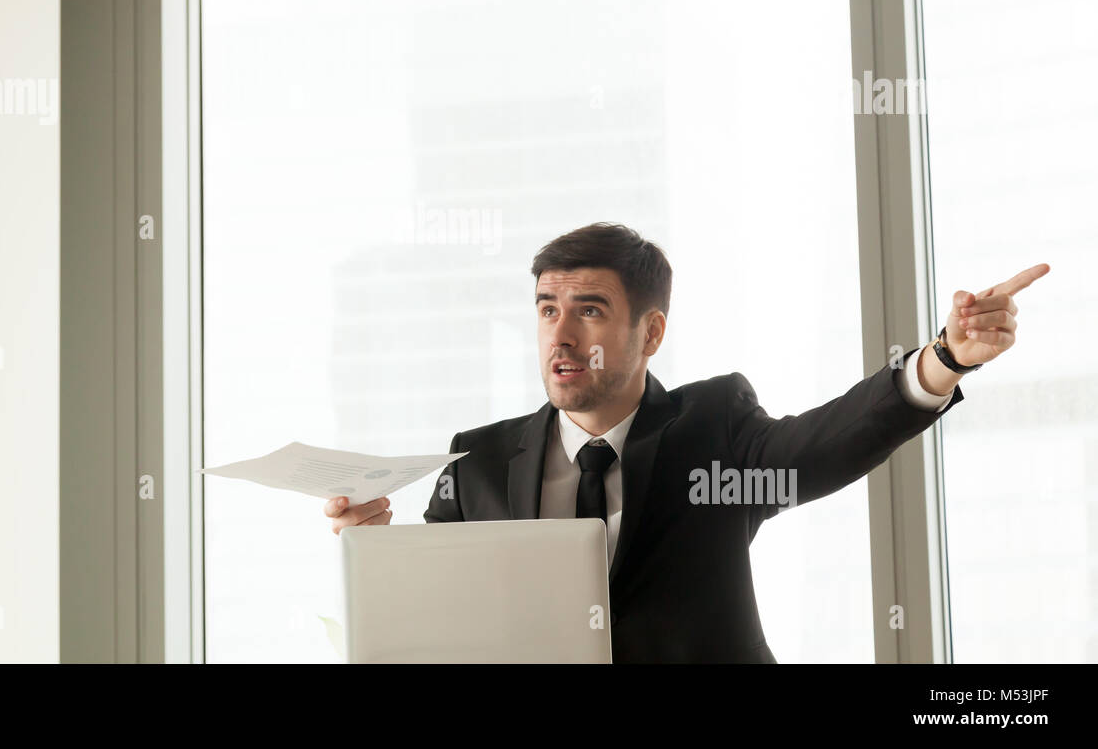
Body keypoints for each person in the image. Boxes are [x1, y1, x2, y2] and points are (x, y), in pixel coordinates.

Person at [323, 222, 1048, 661]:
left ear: (652, 332)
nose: (562, 335)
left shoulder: (712, 427)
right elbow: (435, 627)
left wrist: (943, 360)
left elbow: (822, 446)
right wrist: (371, 546)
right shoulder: (477, 461)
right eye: (547, 310)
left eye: (590, 310)